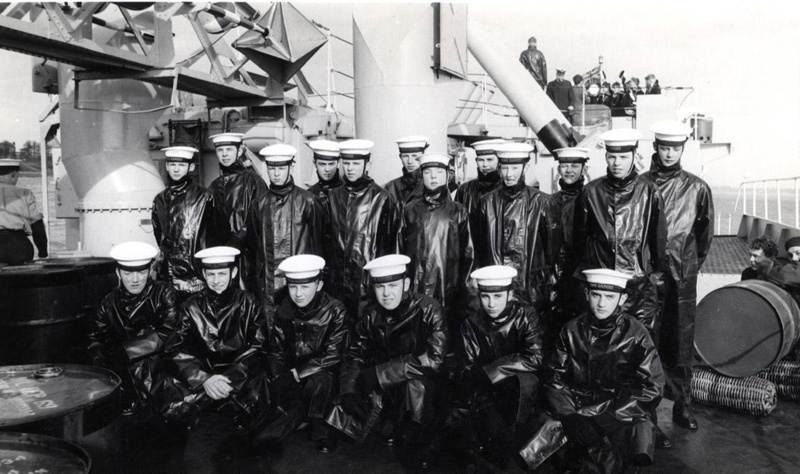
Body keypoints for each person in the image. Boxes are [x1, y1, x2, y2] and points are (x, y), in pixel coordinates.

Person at [334, 254, 448, 469]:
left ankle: (419, 446)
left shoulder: (430, 308)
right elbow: (354, 354)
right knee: (342, 424)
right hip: (387, 393)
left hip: (427, 391)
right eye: (380, 287)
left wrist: (379, 374)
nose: (386, 294)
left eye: (393, 285)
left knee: (416, 387)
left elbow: (435, 359)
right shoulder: (370, 314)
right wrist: (348, 389)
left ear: (406, 284)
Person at [546, 269, 665, 474]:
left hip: (619, 411)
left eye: (609, 297)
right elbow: (555, 379)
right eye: (596, 295)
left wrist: (607, 418)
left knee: (626, 444)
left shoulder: (636, 332)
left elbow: (651, 387)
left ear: (622, 298)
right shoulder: (571, 330)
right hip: (578, 408)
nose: (601, 303)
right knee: (546, 439)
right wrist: (569, 416)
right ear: (586, 295)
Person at [642, 121, 714, 434]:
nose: (669, 153)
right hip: (647, 277)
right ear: (655, 148)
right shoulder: (641, 185)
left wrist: (687, 266)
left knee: (681, 344)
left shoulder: (697, 188)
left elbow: (704, 236)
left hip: (682, 276)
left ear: (682, 149)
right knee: (646, 342)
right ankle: (647, 413)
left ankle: (682, 407)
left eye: (675, 148)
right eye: (664, 147)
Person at [168, 247, 277, 445]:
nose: (216, 280)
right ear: (203, 274)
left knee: (262, 386)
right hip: (204, 373)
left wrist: (228, 378)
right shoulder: (190, 306)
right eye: (211, 274)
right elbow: (176, 348)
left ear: (233, 273)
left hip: (240, 375)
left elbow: (259, 345)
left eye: (222, 274)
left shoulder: (248, 302)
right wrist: (204, 379)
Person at [574, 128, 667, 334]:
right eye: (612, 156)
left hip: (638, 286)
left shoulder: (649, 190)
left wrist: (652, 278)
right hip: (602, 285)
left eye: (623, 157)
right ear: (606, 156)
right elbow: (579, 242)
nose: (617, 163)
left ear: (634, 156)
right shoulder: (591, 192)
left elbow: (658, 240)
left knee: (639, 344)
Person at [449, 265, 544, 468]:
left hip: (519, 391)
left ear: (510, 294)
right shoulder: (471, 322)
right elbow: (468, 369)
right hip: (486, 393)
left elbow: (535, 357)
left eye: (498, 297)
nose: (491, 304)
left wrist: (494, 370)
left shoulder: (525, 315)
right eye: (485, 297)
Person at [267, 255, 349, 453]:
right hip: (293, 376)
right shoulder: (284, 310)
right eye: (293, 287)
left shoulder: (335, 309)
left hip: (324, 375)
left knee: (321, 381)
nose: (298, 294)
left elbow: (333, 354)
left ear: (319, 285)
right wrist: (279, 376)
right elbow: (276, 349)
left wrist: (297, 373)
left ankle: (320, 427)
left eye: (305, 287)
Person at [88, 241, 181, 415]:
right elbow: (94, 337)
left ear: (150, 270)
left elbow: (169, 333)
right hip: (122, 381)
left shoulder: (164, 293)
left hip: (159, 378)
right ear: (118, 273)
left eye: (141, 272)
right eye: (128, 273)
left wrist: (125, 351)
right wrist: (100, 360)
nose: (135, 279)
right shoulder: (108, 302)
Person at [472, 142, 555, 315]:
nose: (509, 174)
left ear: (526, 167)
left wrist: (552, 285)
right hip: (496, 288)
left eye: (515, 168)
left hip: (532, 289)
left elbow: (553, 250)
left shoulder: (542, 202)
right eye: (504, 168)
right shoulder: (486, 202)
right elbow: (477, 248)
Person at [399, 153, 474, 334]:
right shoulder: (409, 210)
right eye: (428, 172)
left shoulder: (458, 211)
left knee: (445, 337)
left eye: (439, 172)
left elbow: (468, 254)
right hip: (414, 289)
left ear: (447, 176)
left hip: (448, 290)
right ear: (421, 175)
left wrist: (464, 292)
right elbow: (399, 249)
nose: (433, 177)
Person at [325, 139, 400, 319]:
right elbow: (326, 242)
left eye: (356, 163)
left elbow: (391, 244)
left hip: (368, 285)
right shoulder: (333, 197)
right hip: (338, 286)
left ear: (367, 164)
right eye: (347, 163)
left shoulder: (382, 198)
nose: (350, 168)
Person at [246, 143, 325, 313]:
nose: (276, 174)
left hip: (300, 283)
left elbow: (319, 245)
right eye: (272, 169)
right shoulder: (258, 204)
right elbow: (253, 245)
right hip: (268, 285)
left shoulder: (308, 201)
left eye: (281, 168)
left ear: (291, 166)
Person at [152, 146, 224, 300]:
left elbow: (219, 236)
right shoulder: (160, 200)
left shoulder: (206, 198)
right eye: (172, 164)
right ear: (166, 166)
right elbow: (160, 238)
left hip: (196, 278)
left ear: (191, 167)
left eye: (182, 165)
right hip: (167, 278)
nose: (176, 169)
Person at [207, 133, 267, 292]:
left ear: (239, 151)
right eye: (220, 150)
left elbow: (262, 218)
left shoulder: (254, 181)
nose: (224, 154)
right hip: (222, 260)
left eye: (229, 149)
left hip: (248, 258)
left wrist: (239, 238)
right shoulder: (214, 186)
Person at [549, 147, 590, 331]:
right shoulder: (549, 201)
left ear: (584, 168)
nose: (569, 170)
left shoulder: (592, 199)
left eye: (575, 165)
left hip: (582, 273)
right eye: (564, 165)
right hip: (555, 273)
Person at [0, 158, 47, 266]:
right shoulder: (25, 193)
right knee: (21, 278)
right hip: (19, 245)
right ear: (13, 175)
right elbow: (37, 225)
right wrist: (43, 252)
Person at [454, 138, 505, 215]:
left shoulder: (507, 190)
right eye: (481, 160)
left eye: (489, 160)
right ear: (476, 161)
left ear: (499, 161)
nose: (485, 165)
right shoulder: (464, 190)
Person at [384, 136, 428, 208]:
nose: (410, 161)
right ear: (400, 157)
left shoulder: (432, 186)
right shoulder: (391, 187)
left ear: (423, 157)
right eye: (405, 156)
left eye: (414, 156)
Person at [306, 139, 343, 208]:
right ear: (314, 163)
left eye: (331, 164)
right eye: (322, 164)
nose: (327, 169)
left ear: (338, 163)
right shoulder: (308, 196)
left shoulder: (348, 194)